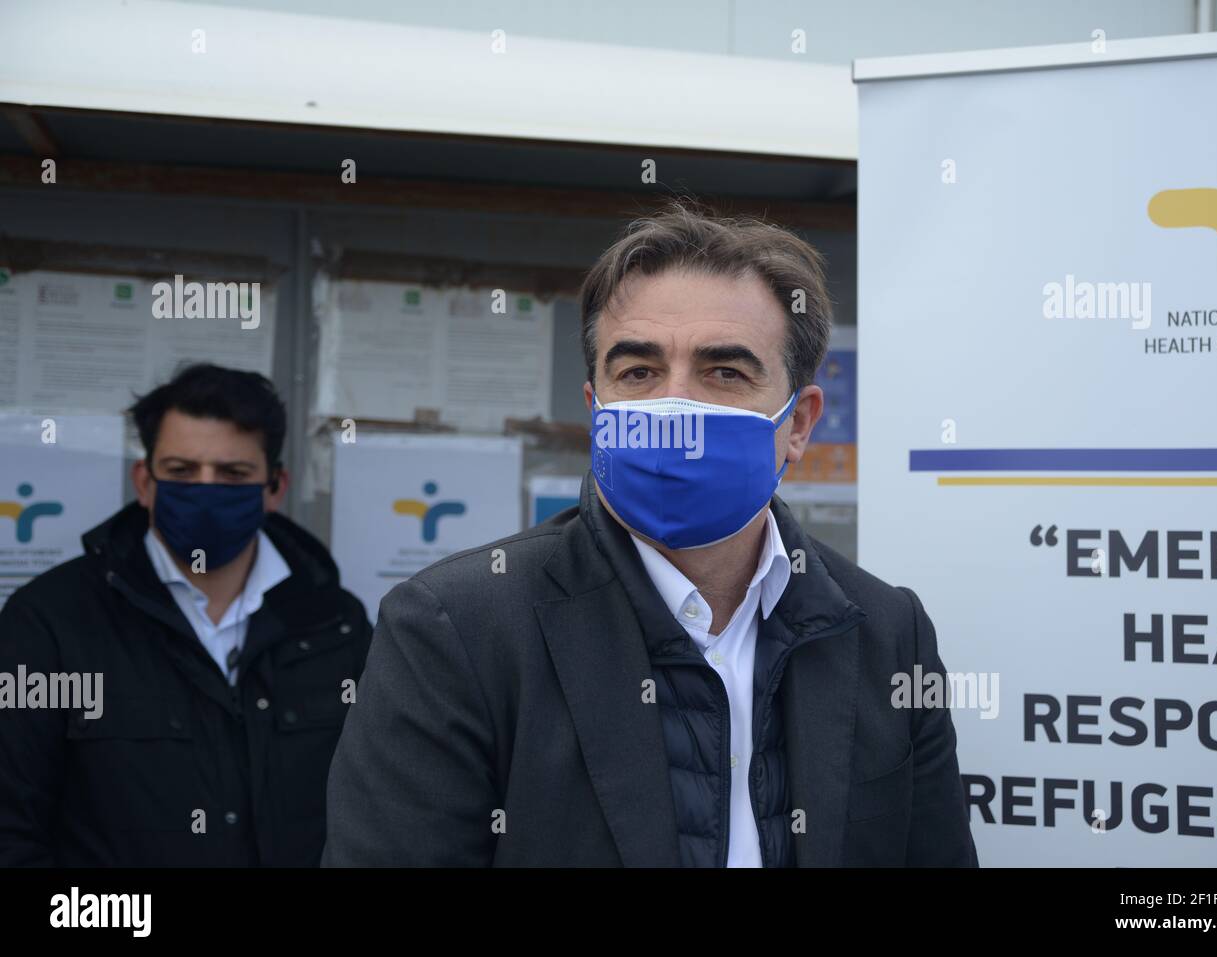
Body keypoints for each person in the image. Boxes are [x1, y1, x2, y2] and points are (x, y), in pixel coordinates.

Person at [323, 204, 978, 867]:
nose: (675, 407)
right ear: (596, 409)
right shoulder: (458, 631)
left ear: (801, 422)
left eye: (724, 372)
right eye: (638, 372)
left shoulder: (888, 633)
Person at [0, 363, 371, 866]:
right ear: (145, 482)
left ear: (274, 488)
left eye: (232, 474)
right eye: (182, 471)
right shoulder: (51, 623)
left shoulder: (335, 624)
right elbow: (11, 830)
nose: (206, 489)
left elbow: (378, 807)